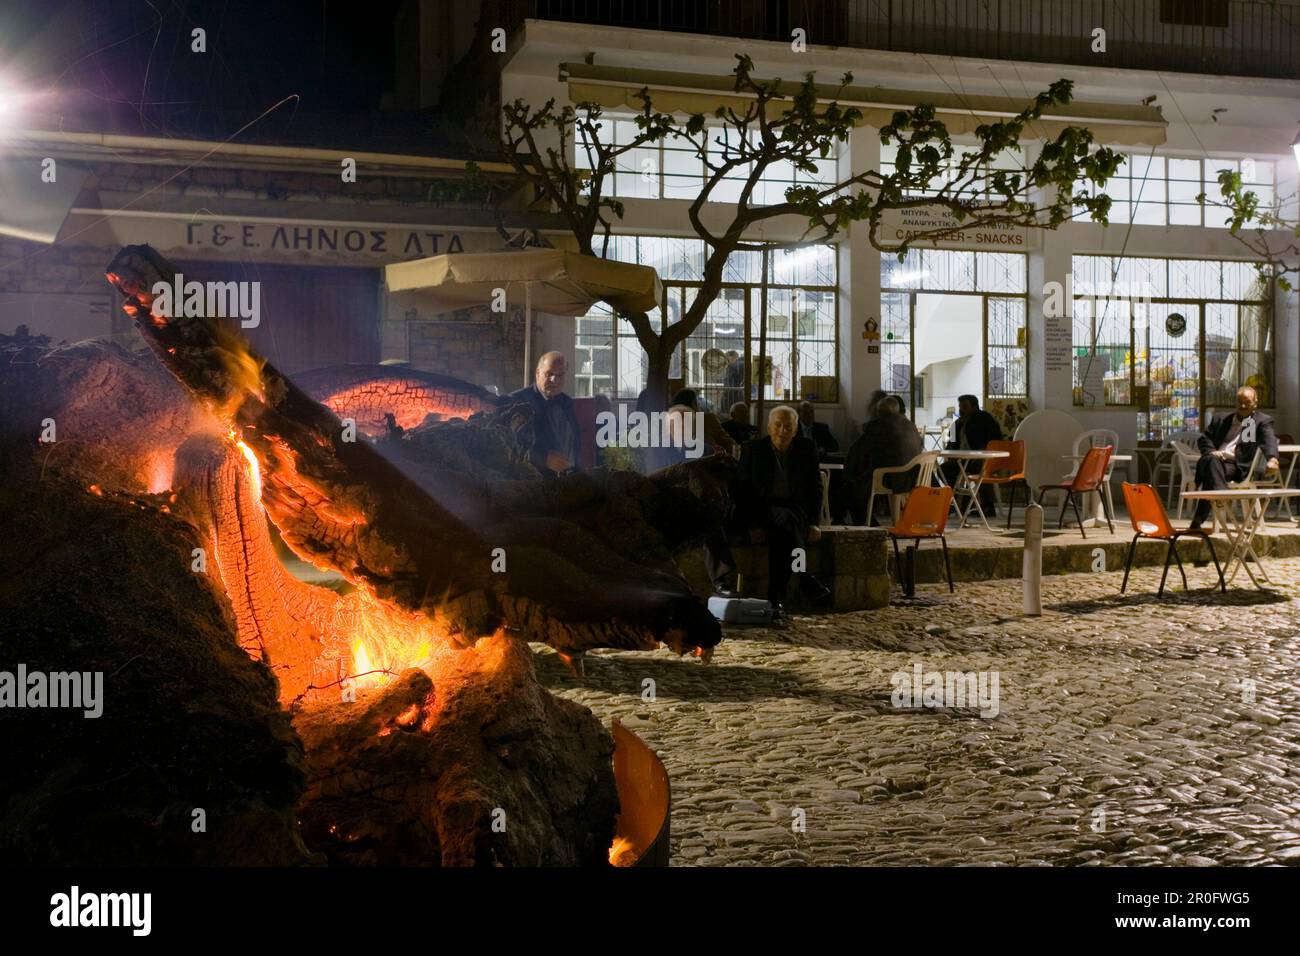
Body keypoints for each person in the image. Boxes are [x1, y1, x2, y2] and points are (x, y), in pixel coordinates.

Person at [732, 406, 831, 616]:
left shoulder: (806, 448)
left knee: (783, 531)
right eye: (778, 425)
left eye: (788, 427)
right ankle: (802, 580)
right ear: (769, 427)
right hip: (763, 510)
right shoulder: (753, 449)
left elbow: (815, 488)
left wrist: (814, 522)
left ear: (795, 430)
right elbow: (742, 491)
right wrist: (752, 525)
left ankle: (776, 599)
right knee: (788, 525)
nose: (782, 430)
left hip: (794, 509)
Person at [1189, 385, 1280, 530]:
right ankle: (1219, 495)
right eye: (1239, 401)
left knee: (1210, 474)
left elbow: (1269, 440)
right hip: (1215, 460)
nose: (1243, 405)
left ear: (1255, 403)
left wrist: (1272, 459)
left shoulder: (1259, 421)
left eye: (1247, 402)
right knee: (1212, 461)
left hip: (1236, 466)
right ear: (1235, 402)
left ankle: (1199, 518)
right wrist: (1212, 451)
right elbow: (1204, 439)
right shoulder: (1221, 419)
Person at [844, 396, 923, 525]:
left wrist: (849, 473)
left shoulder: (879, 424)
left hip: (892, 478)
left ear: (879, 412)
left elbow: (857, 450)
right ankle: (871, 522)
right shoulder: (910, 425)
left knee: (851, 488)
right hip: (913, 477)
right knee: (864, 479)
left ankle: (867, 525)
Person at [507, 351, 582, 476]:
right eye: (549, 374)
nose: (554, 380)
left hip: (569, 481)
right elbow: (509, 444)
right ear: (537, 373)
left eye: (560, 375)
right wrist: (544, 459)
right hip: (533, 484)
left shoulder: (567, 402)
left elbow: (574, 441)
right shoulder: (516, 401)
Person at [941, 394, 1003, 515]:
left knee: (981, 468)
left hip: (982, 460)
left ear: (974, 407)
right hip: (962, 461)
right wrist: (950, 456)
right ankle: (958, 501)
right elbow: (951, 444)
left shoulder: (985, 419)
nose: (961, 410)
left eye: (964, 406)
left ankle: (987, 506)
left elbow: (995, 440)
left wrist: (982, 454)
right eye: (960, 406)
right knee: (943, 470)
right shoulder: (956, 424)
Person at [671, 388, 736, 457]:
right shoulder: (706, 419)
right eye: (697, 401)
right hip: (707, 464)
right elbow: (729, 443)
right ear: (694, 403)